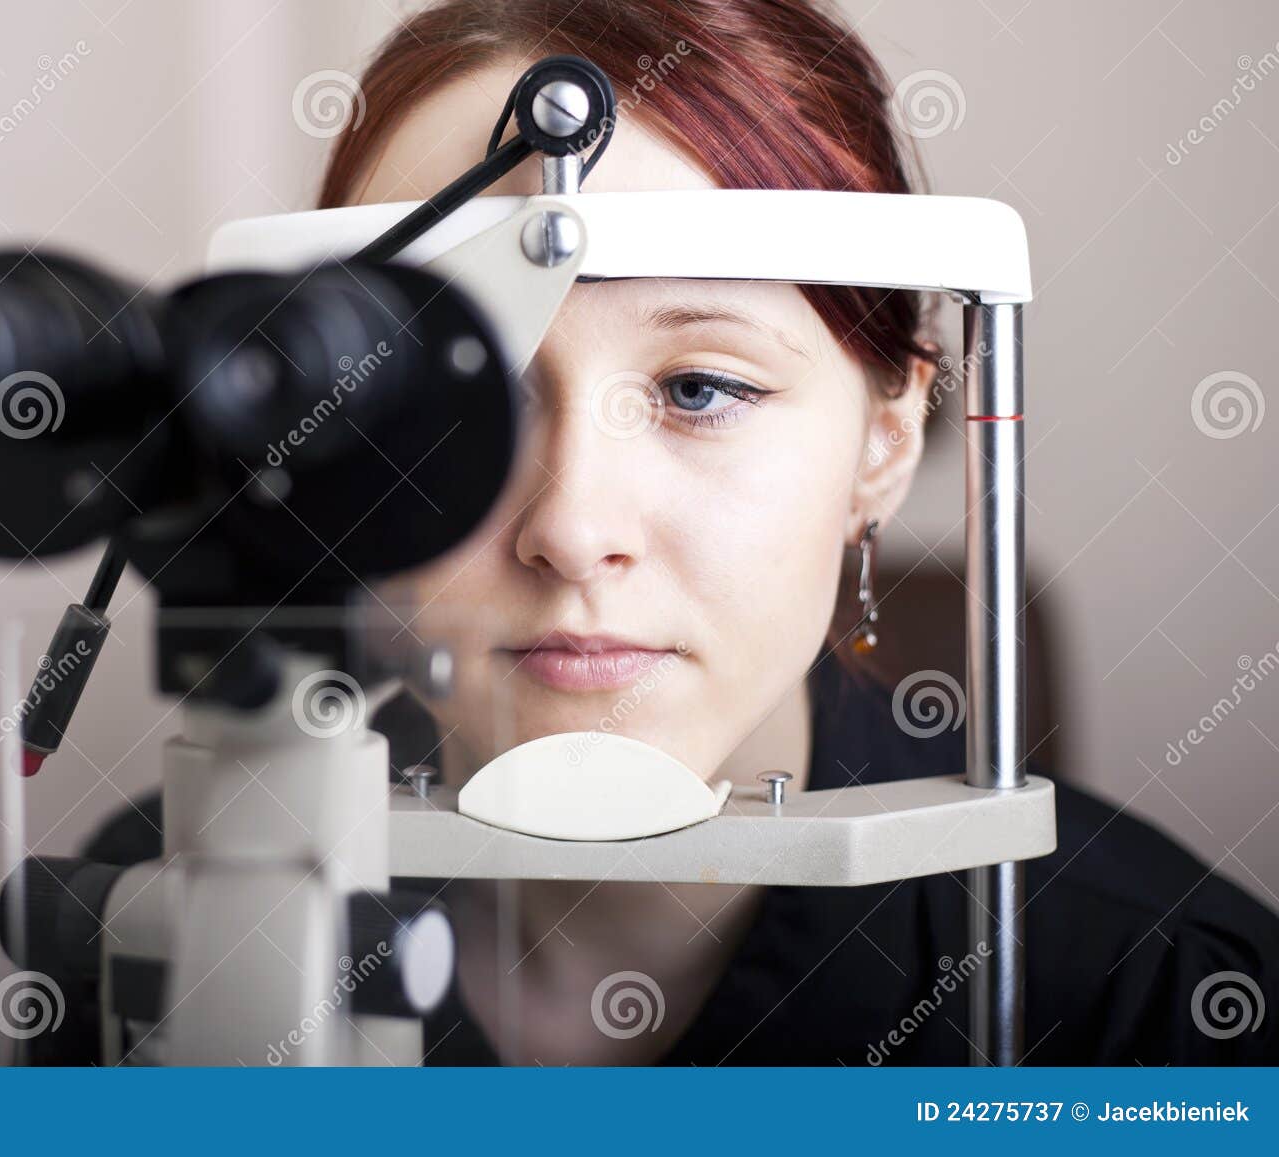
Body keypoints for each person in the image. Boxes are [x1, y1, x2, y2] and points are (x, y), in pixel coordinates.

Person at [81, 0, 1279, 1065]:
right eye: (456, 395)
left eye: (700, 388)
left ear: (886, 438)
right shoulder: (154, 915)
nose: (571, 526)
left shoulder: (1159, 999)